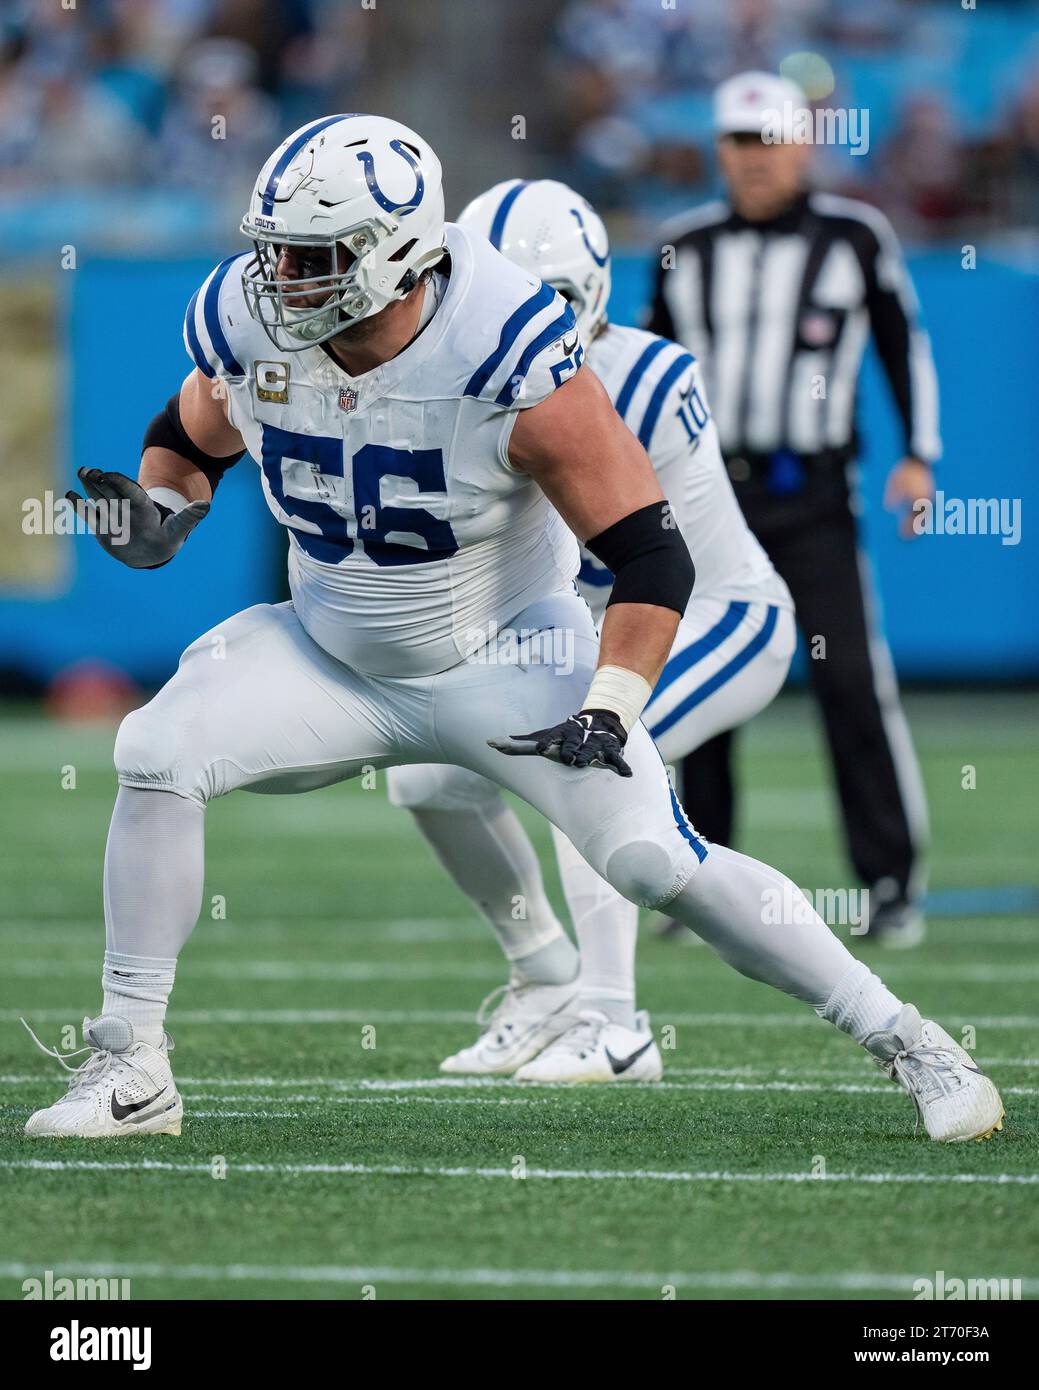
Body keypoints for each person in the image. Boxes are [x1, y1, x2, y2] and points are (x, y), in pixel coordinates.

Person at [26, 114, 1000, 1146]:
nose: (278, 278)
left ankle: (908, 1039)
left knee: (651, 863)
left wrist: (612, 703)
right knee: (154, 749)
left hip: (508, 655)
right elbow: (190, 433)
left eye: (309, 258)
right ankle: (130, 1064)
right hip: (329, 650)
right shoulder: (250, 314)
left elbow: (651, 553)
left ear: (394, 253)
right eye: (272, 250)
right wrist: (162, 515)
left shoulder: (507, 348)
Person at [387, 177, 795, 1083]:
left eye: (545, 301)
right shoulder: (439, 376)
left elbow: (663, 569)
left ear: (593, 298)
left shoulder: (646, 377)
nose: (517, 320)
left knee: (585, 755)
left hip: (716, 616)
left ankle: (614, 1022)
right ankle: (542, 980)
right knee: (425, 781)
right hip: (579, 624)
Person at [650, 72, 940, 946]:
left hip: (811, 493)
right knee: (701, 689)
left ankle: (889, 881)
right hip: (706, 494)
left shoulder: (855, 235)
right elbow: (648, 369)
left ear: (803, 143)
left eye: (769, 141)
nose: (754, 160)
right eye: (739, 143)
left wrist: (920, 456)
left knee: (851, 682)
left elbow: (903, 345)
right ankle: (697, 880)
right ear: (718, 150)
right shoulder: (682, 245)